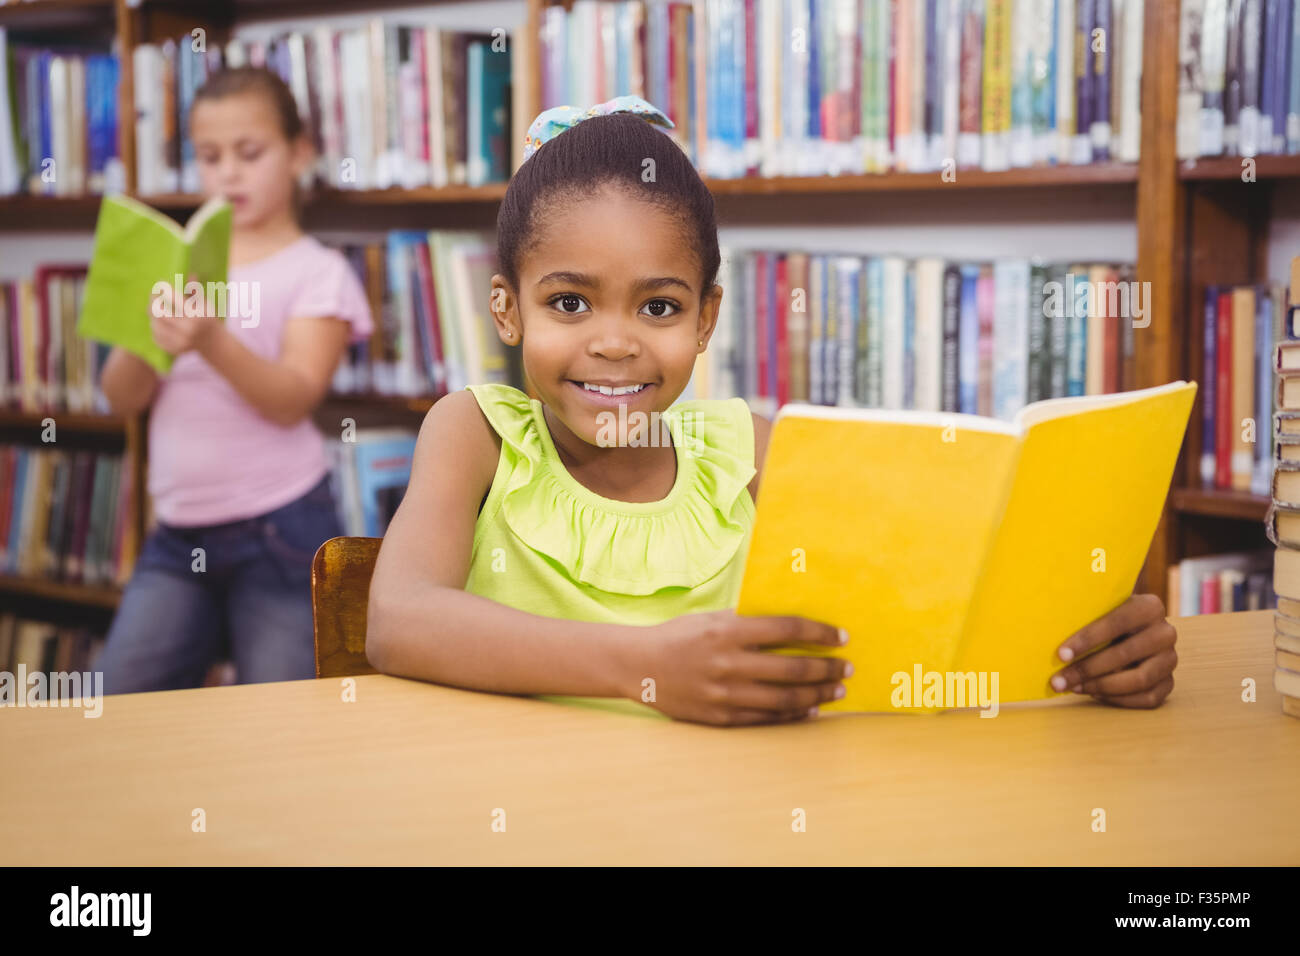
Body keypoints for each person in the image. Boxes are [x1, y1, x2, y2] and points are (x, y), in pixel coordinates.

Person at [366, 95, 1177, 725]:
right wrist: (646, 668)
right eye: (571, 302)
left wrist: (1085, 640)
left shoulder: (749, 448)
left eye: (658, 308)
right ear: (507, 310)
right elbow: (399, 621)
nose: (615, 345)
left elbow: (914, 606)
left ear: (707, 319)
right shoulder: (476, 432)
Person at [95, 67, 372, 693]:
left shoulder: (317, 272)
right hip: (176, 534)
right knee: (112, 706)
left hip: (279, 529)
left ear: (299, 154)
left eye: (250, 153)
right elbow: (121, 398)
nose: (228, 173)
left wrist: (210, 341)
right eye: (209, 156)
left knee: (279, 720)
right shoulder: (171, 266)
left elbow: (293, 398)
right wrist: (149, 338)